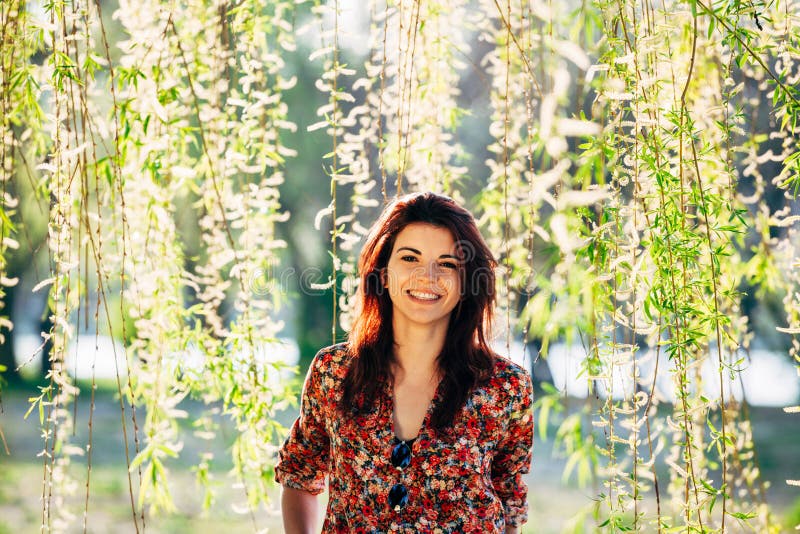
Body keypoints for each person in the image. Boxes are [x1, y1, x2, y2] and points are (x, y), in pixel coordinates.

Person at [276, 192, 534, 533]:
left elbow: (509, 504)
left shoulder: (506, 386)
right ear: (382, 272)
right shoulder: (333, 372)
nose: (427, 276)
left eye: (447, 264)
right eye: (410, 258)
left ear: (466, 282)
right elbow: (298, 474)